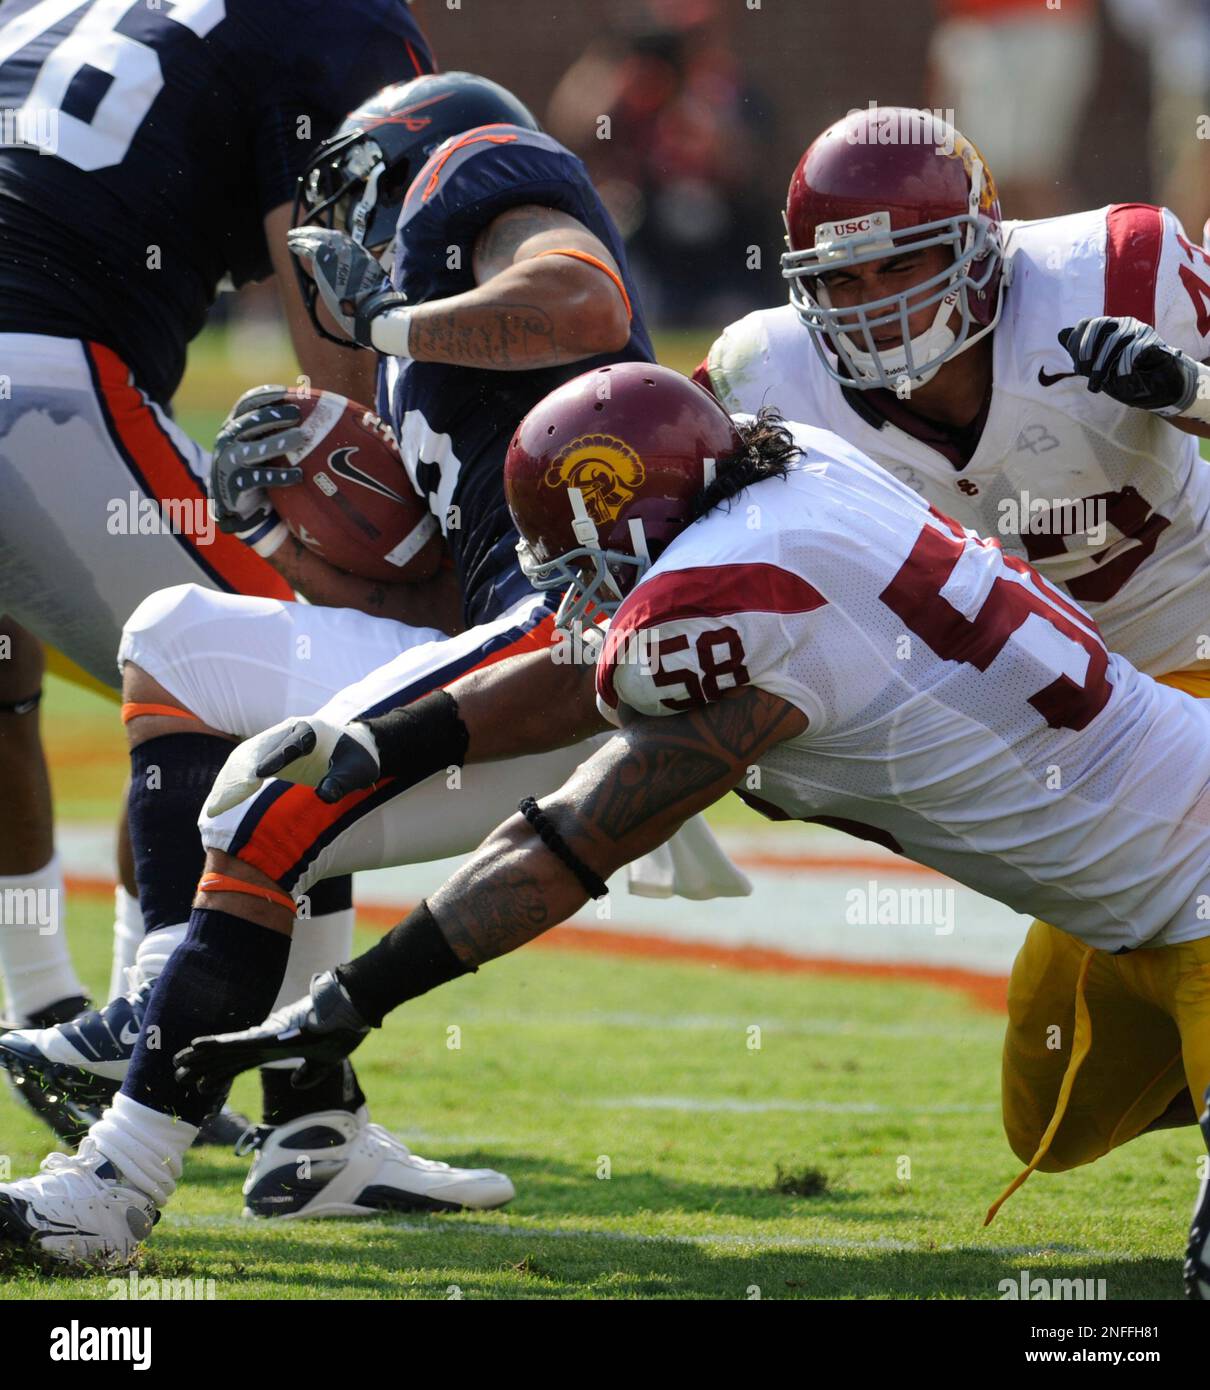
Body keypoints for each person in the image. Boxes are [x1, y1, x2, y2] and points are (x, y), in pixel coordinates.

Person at [11, 362, 1210, 1276]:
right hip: (1126, 899)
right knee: (1044, 1122)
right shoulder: (794, 479)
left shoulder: (739, 608)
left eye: (581, 567)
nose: (575, 601)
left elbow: (570, 841)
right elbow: (575, 660)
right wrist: (387, 738)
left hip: (1195, 886)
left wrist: (347, 1003)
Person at [0, 73, 744, 1235]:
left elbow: (586, 302)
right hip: (509, 650)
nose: (341, 236)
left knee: (275, 788)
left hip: (576, 660)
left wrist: (397, 323)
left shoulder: (488, 180)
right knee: (176, 638)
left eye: (354, 193)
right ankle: (316, 1129)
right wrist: (286, 541)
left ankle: (111, 1186)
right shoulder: (424, 362)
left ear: (408, 161)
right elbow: (443, 604)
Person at [692, 106, 1210, 1208]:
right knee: (1054, 1098)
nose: (876, 306)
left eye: (908, 265)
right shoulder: (763, 375)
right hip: (1066, 729)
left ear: (984, 249)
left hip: (1194, 643)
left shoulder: (1120, 268)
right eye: (843, 283)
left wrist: (1188, 392)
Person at [0, 0, 432, 1082]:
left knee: (172, 664)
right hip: (37, 378)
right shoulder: (333, 18)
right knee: (291, 690)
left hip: (43, 360)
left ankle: (83, 1012)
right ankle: (305, 1116)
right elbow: (330, 319)